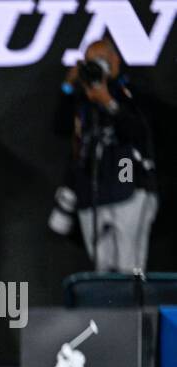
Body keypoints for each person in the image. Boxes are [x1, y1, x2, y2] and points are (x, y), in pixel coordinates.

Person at [52, 37, 158, 272]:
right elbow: (60, 128)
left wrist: (108, 101)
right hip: (93, 189)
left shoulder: (129, 92)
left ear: (115, 60)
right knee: (102, 268)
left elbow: (139, 132)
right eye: (91, 62)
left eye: (101, 60)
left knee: (129, 266)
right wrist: (68, 87)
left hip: (127, 177)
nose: (97, 67)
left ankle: (133, 309)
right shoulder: (82, 99)